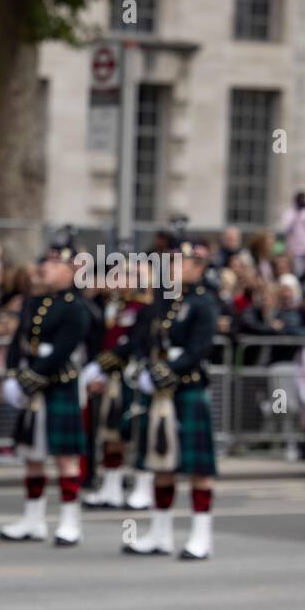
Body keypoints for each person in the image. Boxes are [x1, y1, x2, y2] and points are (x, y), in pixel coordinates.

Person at [124, 235, 218, 559]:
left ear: (198, 267)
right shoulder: (163, 299)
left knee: (198, 470)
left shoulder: (204, 302)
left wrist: (163, 371)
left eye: (180, 263)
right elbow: (147, 338)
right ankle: (160, 534)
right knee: (161, 465)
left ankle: (201, 536)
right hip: (162, 393)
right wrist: (141, 367)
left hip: (188, 389)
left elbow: (198, 349)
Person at [0, 229, 92, 546]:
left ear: (70, 271)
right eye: (46, 263)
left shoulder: (76, 307)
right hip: (33, 387)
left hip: (58, 386)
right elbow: (18, 342)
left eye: (54, 265)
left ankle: (70, 521)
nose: (45, 269)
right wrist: (12, 373)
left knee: (65, 457)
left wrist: (27, 379)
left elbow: (64, 350)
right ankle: (33, 519)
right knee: (32, 456)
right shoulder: (34, 302)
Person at [83, 256, 153, 509]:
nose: (119, 281)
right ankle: (111, 487)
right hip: (112, 378)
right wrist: (100, 371)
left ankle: (143, 487)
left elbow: (134, 344)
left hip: (134, 378)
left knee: (136, 432)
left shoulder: (145, 308)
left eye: (127, 276)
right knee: (111, 433)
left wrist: (101, 365)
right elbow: (106, 341)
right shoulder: (115, 307)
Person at [280, 191, 305, 278]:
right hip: (294, 250)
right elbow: (286, 227)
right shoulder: (290, 213)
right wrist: (297, 215)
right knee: (297, 271)